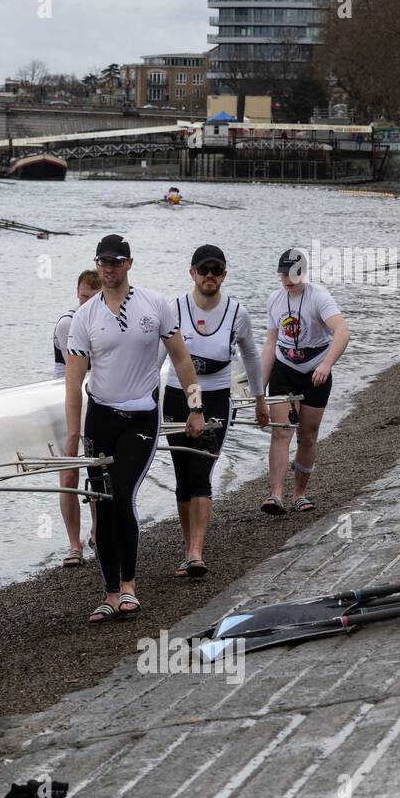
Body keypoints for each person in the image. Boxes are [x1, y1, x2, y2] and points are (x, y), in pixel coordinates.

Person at [64, 234, 205, 624]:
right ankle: (109, 592)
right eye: (103, 262)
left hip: (142, 416)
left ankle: (129, 586)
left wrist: (196, 408)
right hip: (101, 416)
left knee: (122, 493)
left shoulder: (156, 305)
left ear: (129, 263)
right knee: (103, 501)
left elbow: (182, 360)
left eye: (116, 261)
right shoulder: (84, 316)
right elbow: (73, 383)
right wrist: (72, 437)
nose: (109, 268)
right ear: (97, 265)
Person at [164, 245, 267, 578]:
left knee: (202, 472)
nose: (210, 276)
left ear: (224, 275)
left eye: (217, 270)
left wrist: (259, 397)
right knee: (183, 477)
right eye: (203, 270)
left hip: (217, 399)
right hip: (177, 397)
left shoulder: (238, 313)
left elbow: (251, 357)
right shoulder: (174, 309)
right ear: (192, 273)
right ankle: (187, 547)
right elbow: (154, 358)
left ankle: (196, 552)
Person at [260, 248, 350, 514]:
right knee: (281, 432)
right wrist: (258, 389)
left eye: (294, 274)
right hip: (285, 368)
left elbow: (342, 331)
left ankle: (300, 494)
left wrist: (326, 364)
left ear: (304, 273)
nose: (288, 279)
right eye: (283, 274)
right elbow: (270, 343)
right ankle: (276, 496)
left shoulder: (319, 296)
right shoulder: (274, 300)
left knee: (307, 435)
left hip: (315, 371)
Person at [53, 270, 101, 567]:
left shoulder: (107, 320)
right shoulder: (67, 324)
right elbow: (78, 368)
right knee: (69, 474)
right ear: (77, 293)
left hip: (97, 398)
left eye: (93, 299)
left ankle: (97, 530)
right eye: (83, 297)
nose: (87, 304)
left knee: (97, 471)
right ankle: (74, 543)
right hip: (68, 398)